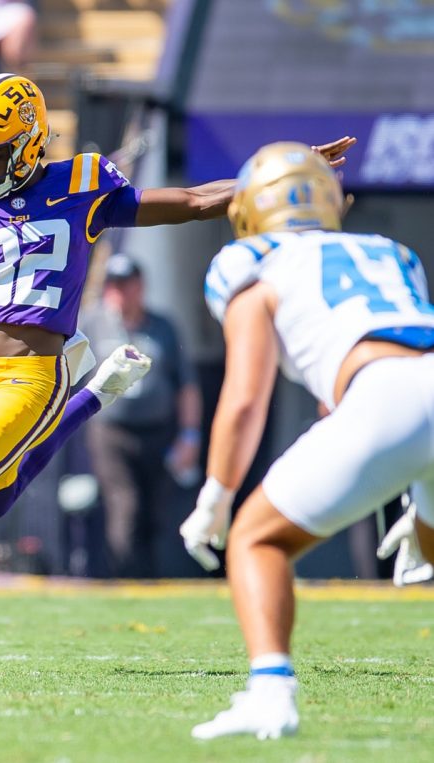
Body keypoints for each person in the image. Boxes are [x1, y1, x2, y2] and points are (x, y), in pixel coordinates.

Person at [0, 73, 353, 675]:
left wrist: (285, 178)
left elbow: (191, 200)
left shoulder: (80, 185)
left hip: (33, 377)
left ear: (29, 144)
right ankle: (96, 392)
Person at [178, 143, 434, 740]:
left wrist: (217, 497)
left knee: (256, 539)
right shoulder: (389, 252)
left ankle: (270, 693)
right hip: (407, 388)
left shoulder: (252, 262)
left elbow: (245, 399)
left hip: (387, 396)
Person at [80, 252, 202, 577]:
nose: (121, 293)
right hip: (111, 431)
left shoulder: (162, 327)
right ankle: (125, 578)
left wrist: (190, 435)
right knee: (125, 504)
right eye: (115, 286)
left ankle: (150, 580)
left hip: (157, 430)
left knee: (156, 512)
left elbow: (186, 384)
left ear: (140, 287)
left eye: (127, 285)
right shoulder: (93, 323)